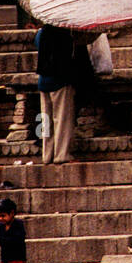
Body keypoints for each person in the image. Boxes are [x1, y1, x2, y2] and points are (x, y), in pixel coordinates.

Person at [35, 24, 90, 164]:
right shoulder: (66, 34)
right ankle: (62, 155)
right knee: (62, 118)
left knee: (46, 120)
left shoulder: (40, 33)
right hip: (60, 79)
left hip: (43, 79)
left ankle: (47, 155)